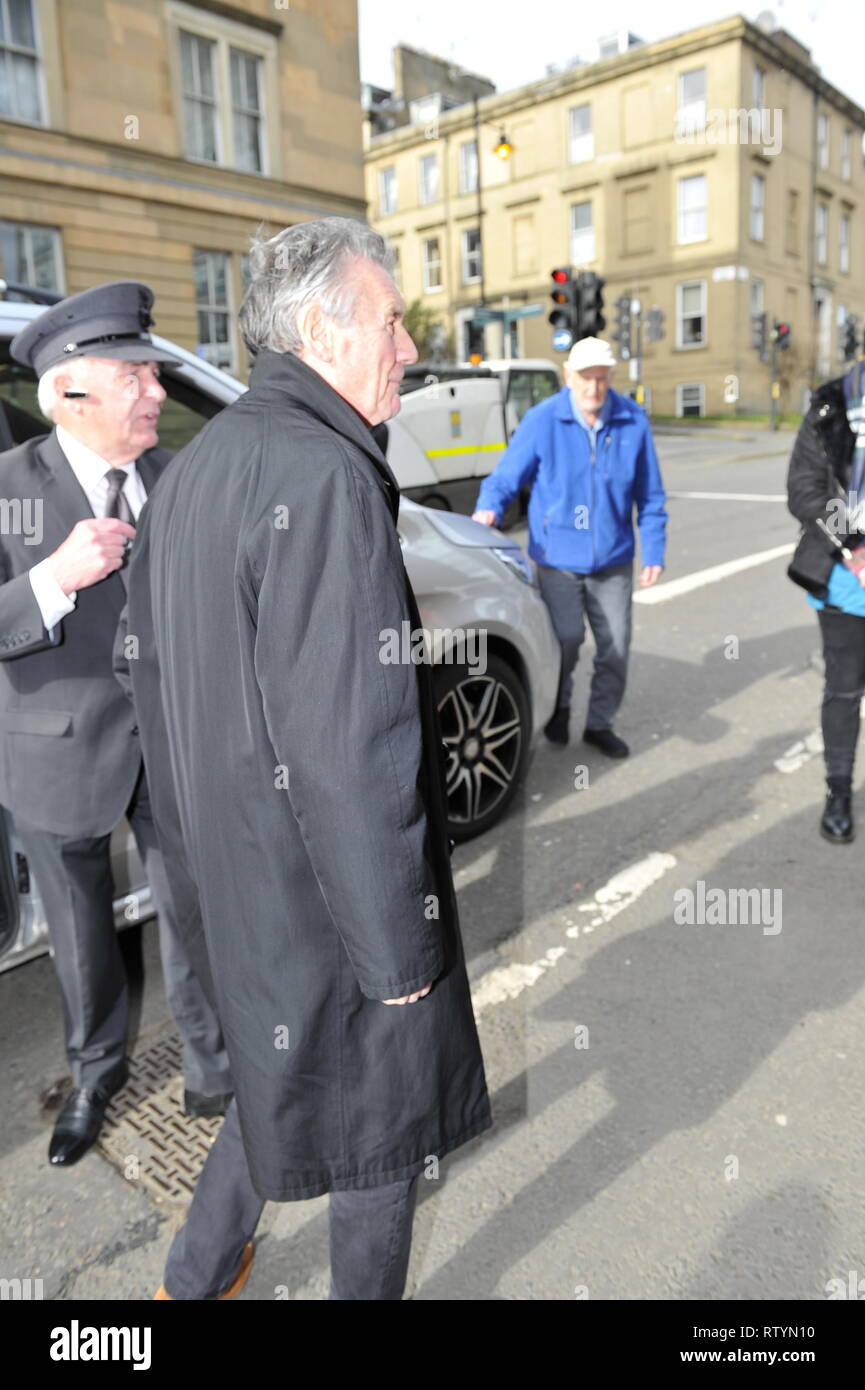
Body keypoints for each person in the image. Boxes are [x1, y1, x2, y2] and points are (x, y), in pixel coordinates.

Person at [123, 218, 492, 1300]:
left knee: (281, 1075)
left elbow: (152, 688)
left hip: (242, 882)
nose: (412, 346)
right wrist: (401, 959)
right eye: (391, 320)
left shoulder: (197, 469)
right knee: (379, 1136)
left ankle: (190, 1277)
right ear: (327, 331)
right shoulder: (325, 476)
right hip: (331, 897)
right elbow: (350, 752)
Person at [0, 282, 232, 1167]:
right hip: (53, 761)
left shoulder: (176, 478)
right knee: (83, 938)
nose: (158, 393)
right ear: (70, 391)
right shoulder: (7, 488)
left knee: (195, 913)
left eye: (154, 374)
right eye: (136, 375)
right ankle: (94, 1075)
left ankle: (215, 1068)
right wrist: (54, 578)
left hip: (172, 746)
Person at [472, 337, 667, 756]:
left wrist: (654, 550)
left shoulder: (632, 420)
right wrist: (488, 510)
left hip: (613, 559)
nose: (593, 388)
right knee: (565, 640)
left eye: (601, 379)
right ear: (568, 376)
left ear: (611, 377)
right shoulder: (544, 420)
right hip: (558, 559)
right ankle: (558, 705)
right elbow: (506, 476)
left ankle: (599, 723)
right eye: (585, 378)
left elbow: (650, 495)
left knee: (615, 648)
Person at [787, 359, 865, 843]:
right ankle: (838, 791)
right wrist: (855, 546)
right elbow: (804, 491)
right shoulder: (831, 404)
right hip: (844, 580)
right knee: (844, 689)